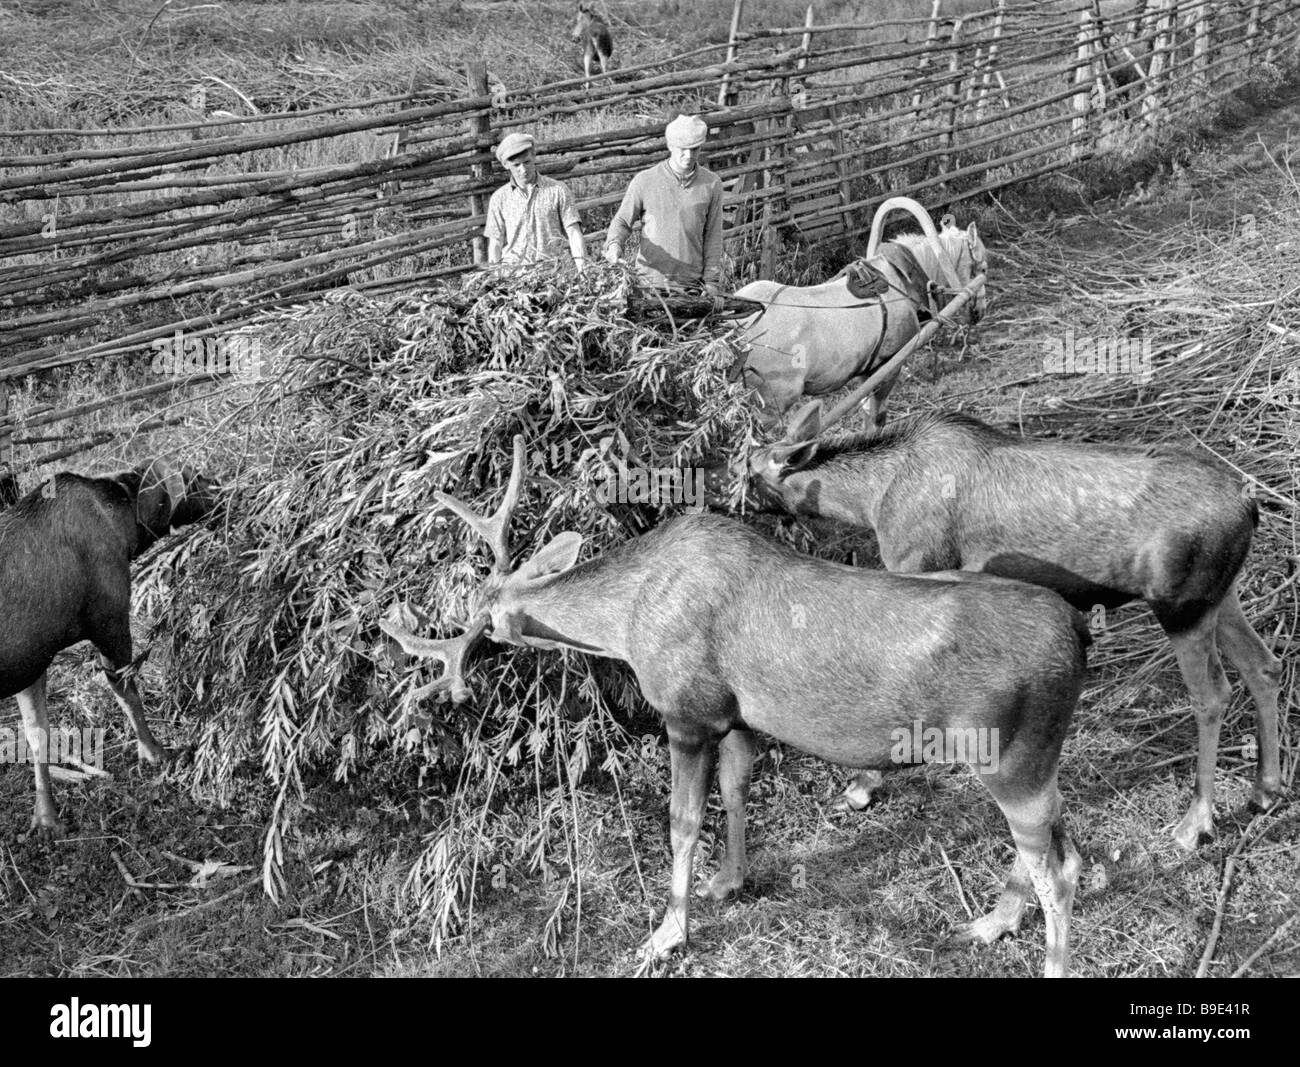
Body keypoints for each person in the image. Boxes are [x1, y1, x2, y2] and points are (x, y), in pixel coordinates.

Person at [603, 114, 724, 301]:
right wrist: (614, 245)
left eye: (695, 149)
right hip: (648, 286)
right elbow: (622, 221)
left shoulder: (711, 184)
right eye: (682, 149)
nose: (689, 155)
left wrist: (711, 282)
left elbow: (713, 237)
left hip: (691, 288)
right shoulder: (646, 180)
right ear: (670, 146)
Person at [484, 132, 587, 268]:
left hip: (554, 272)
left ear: (533, 155)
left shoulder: (557, 190)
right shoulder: (499, 198)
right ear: (506, 165)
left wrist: (583, 269)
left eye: (526, 162)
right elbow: (496, 243)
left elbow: (574, 233)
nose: (523, 170)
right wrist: (495, 278)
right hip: (515, 276)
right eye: (516, 165)